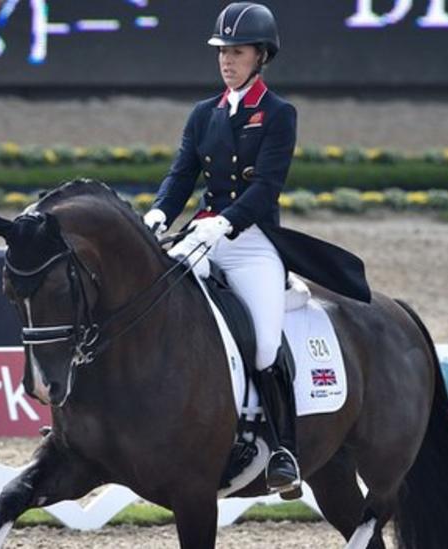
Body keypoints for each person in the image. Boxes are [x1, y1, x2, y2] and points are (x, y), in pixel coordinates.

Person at [142, 2, 371, 495]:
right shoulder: (203, 114)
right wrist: (160, 212)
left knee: (266, 343)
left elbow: (265, 188)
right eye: (222, 51)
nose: (227, 60)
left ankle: (284, 449)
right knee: (153, 306)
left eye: (237, 52)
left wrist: (224, 223)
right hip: (201, 237)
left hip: (252, 243)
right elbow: (181, 173)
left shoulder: (277, 114)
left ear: (261, 55)